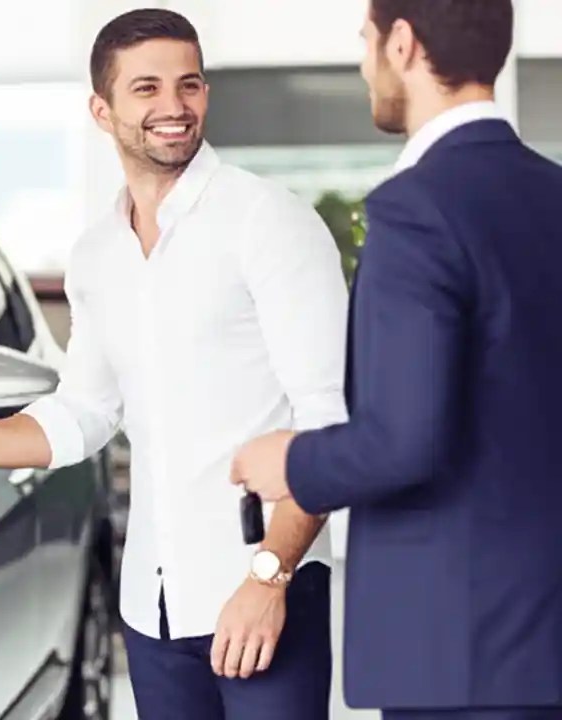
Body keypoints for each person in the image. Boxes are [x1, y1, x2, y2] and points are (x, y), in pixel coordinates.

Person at [0, 9, 348, 719]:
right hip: (153, 607)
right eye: (147, 88)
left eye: (188, 84)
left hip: (260, 592)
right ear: (101, 111)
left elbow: (327, 419)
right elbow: (85, 412)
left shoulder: (268, 221)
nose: (174, 106)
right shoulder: (98, 254)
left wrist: (269, 577)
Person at [231, 1, 562, 719]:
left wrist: (290, 460)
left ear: (403, 44)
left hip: (461, 654)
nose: (364, 66)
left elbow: (406, 440)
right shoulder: (553, 194)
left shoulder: (415, 210)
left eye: (367, 42)